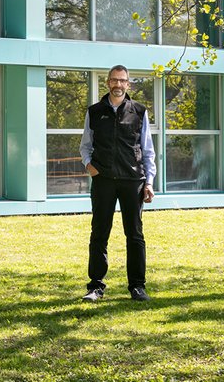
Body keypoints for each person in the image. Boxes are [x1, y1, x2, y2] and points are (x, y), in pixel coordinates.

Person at [79, 65, 156, 302]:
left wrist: (149, 182)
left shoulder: (139, 111)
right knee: (99, 233)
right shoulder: (94, 111)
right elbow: (85, 145)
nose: (118, 84)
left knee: (135, 235)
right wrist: (89, 166)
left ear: (128, 84)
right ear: (108, 83)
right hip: (103, 181)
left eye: (122, 81)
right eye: (114, 80)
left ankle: (137, 287)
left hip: (133, 180)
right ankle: (95, 287)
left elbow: (147, 150)